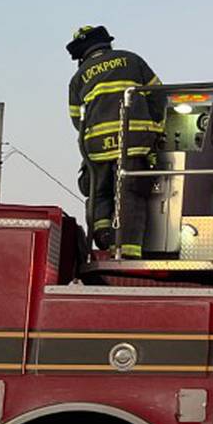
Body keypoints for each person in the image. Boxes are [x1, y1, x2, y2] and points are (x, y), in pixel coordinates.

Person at [66, 25, 167, 259]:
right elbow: (159, 96)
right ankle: (127, 250)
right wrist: (155, 128)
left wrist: (96, 136)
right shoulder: (132, 60)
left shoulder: (78, 77)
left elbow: (76, 119)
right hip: (132, 141)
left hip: (97, 148)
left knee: (99, 191)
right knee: (130, 194)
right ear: (107, 43)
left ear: (82, 54)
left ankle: (103, 235)